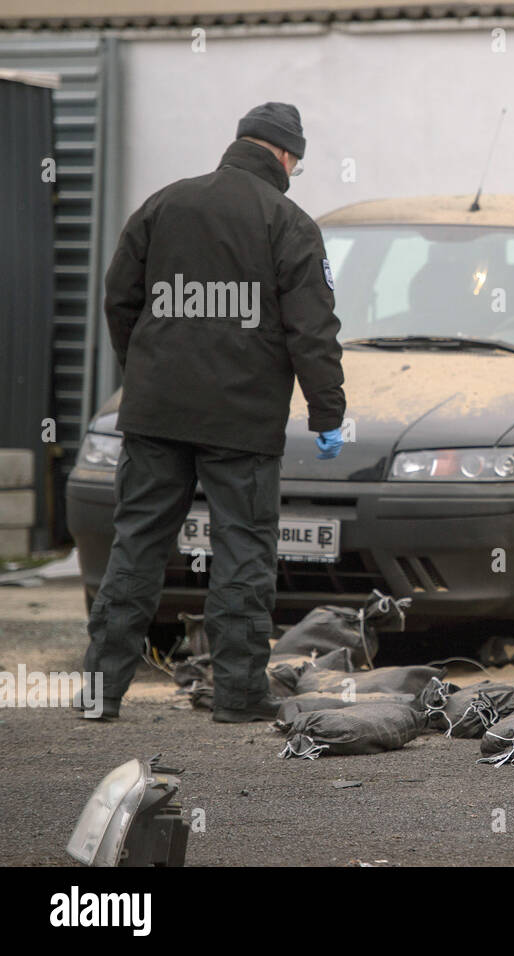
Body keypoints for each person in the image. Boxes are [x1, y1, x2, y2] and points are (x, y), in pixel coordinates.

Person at [82, 102, 346, 722]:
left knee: (137, 546)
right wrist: (327, 412)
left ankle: (99, 695)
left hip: (156, 415)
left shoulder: (164, 204)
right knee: (243, 553)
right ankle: (238, 697)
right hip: (242, 423)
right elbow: (312, 330)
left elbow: (120, 300)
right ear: (284, 156)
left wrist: (146, 373)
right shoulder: (288, 222)